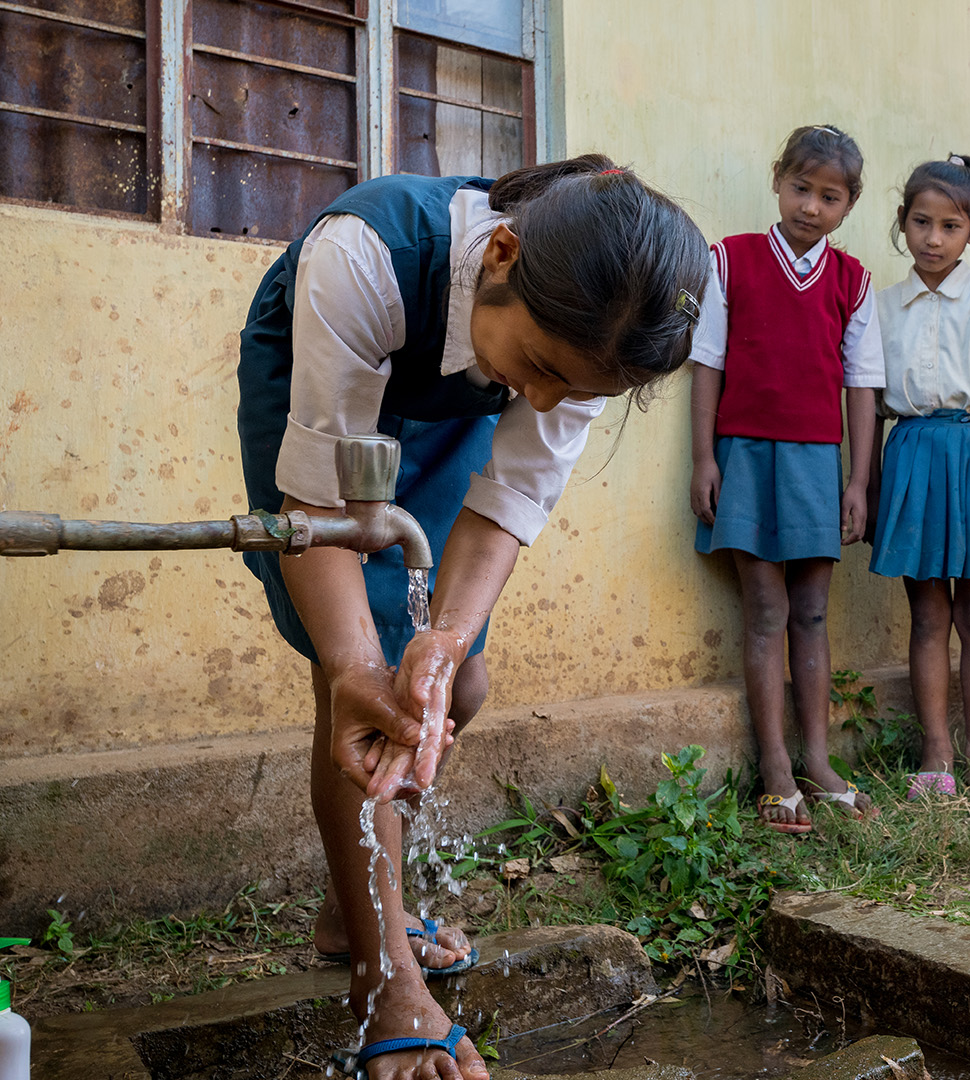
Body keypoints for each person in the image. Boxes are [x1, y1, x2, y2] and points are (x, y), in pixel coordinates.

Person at [238, 156, 708, 1080]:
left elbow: (504, 505)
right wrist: (351, 669)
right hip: (325, 375)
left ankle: (352, 906)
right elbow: (324, 522)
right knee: (366, 690)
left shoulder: (572, 347)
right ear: (499, 251)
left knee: (462, 683)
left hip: (456, 391)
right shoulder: (365, 257)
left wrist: (446, 642)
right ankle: (384, 979)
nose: (541, 403)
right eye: (542, 371)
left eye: (574, 394)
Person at [689, 124, 882, 832]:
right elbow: (705, 361)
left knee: (813, 611)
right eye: (801, 188)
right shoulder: (730, 262)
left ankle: (819, 759)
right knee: (765, 610)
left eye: (829, 196)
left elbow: (863, 386)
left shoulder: (851, 280)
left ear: (849, 204)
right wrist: (703, 457)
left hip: (814, 462)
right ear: (778, 180)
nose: (810, 206)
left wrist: (858, 482)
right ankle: (774, 763)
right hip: (745, 454)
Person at [867, 155, 970, 798]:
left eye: (950, 226)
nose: (934, 239)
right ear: (902, 223)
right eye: (921, 222)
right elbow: (870, 399)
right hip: (912, 454)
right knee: (928, 614)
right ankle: (935, 753)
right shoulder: (881, 307)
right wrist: (872, 482)